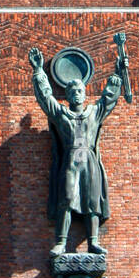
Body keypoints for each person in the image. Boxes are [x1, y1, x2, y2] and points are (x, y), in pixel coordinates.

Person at [28, 47, 125, 255]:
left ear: (85, 93)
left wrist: (117, 75)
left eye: (80, 91)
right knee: (67, 197)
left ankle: (93, 242)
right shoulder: (62, 115)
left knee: (92, 200)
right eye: (72, 92)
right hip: (72, 160)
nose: (76, 94)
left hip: (89, 160)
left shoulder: (94, 113)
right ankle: (61, 242)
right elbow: (46, 100)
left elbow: (109, 98)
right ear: (69, 96)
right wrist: (38, 72)